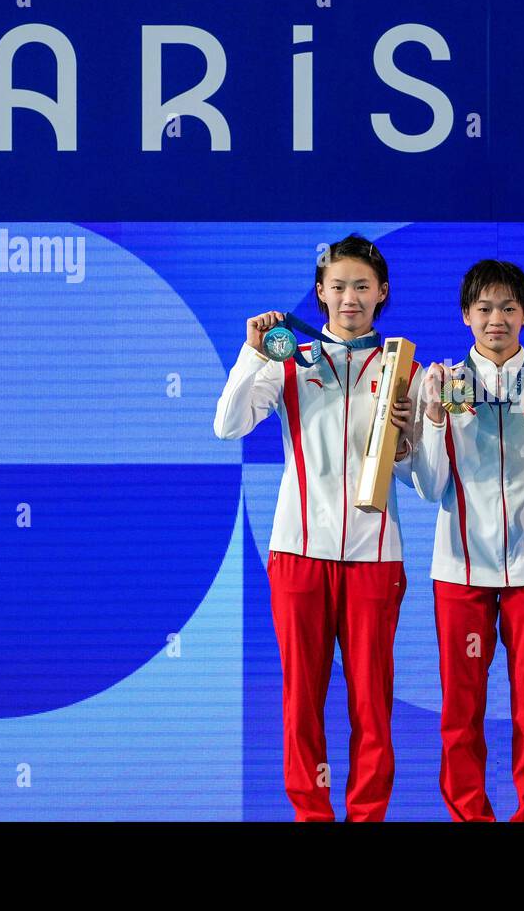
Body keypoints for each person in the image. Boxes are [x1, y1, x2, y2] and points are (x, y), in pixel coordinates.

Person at [213, 234, 422, 821]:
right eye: (338, 287)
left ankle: (368, 814)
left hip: (376, 557)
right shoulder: (291, 360)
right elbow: (228, 426)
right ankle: (310, 812)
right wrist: (253, 354)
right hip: (298, 553)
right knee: (302, 698)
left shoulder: (405, 368)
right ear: (321, 294)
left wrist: (408, 441)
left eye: (362, 286)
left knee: (372, 702)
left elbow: (418, 475)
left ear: (382, 293)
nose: (349, 297)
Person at [411, 260, 524, 821]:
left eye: (508, 307)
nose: (496, 319)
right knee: (461, 713)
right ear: (466, 316)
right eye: (484, 308)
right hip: (460, 573)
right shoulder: (436, 382)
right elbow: (430, 485)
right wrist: (434, 420)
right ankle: (467, 815)